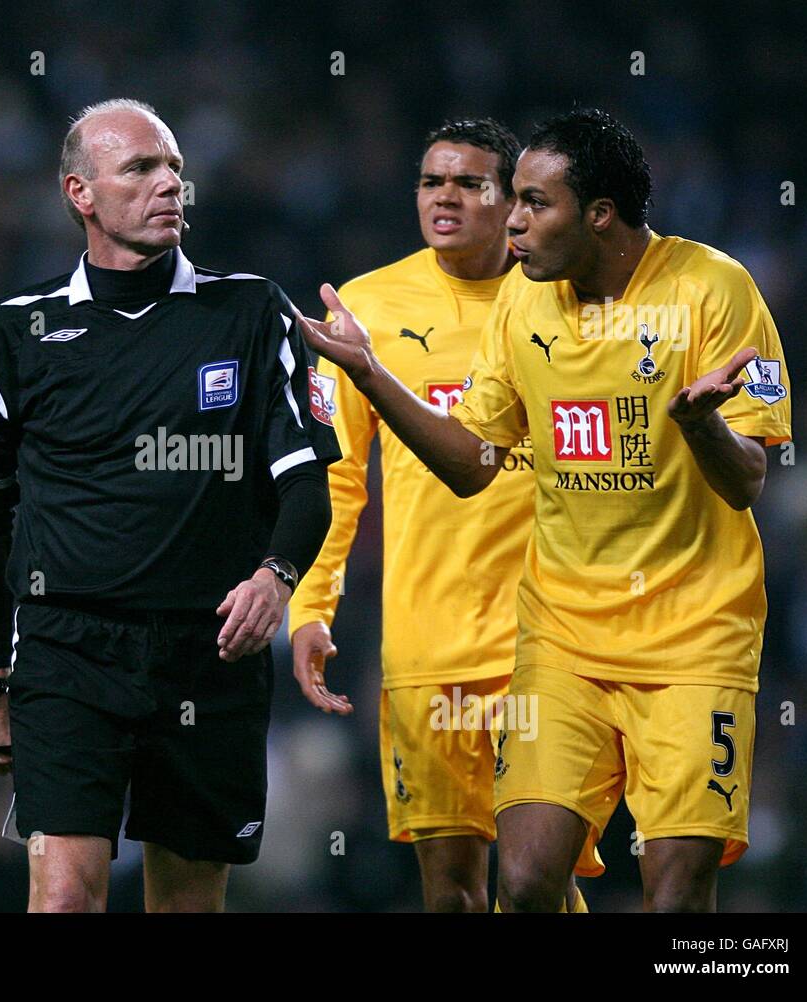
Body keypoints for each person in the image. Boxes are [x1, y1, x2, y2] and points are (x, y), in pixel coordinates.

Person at [296, 109, 791, 912]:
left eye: (532, 203)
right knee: (524, 880)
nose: (513, 222)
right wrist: (373, 375)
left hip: (694, 636)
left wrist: (699, 424)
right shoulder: (523, 308)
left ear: (598, 214)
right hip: (560, 640)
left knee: (675, 891)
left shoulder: (713, 289)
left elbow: (748, 482)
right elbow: (471, 465)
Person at [0, 99, 339, 912]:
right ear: (79, 193)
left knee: (187, 907)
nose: (170, 185)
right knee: (61, 899)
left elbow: (305, 482)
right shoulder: (13, 334)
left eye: (175, 170)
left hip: (212, 650)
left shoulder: (251, 311)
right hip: (68, 651)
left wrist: (275, 576)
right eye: (141, 169)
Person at [289, 119, 585, 912]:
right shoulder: (368, 307)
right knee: (451, 890)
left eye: (468, 183)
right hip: (428, 644)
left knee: (534, 879)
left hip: (550, 641)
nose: (444, 197)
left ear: (512, 200)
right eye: (430, 181)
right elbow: (336, 477)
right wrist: (311, 608)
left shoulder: (562, 297)